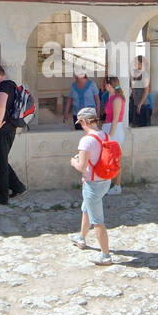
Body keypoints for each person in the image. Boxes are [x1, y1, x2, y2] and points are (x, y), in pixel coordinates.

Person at [69, 106, 113, 265]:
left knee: (98, 221)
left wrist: (73, 162)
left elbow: (81, 166)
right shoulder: (105, 135)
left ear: (83, 122)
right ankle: (81, 238)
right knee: (86, 209)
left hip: (92, 184)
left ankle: (105, 256)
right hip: (105, 181)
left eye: (80, 123)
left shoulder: (86, 140)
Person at [0, 63, 26, 205]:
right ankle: (18, 187)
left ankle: (1, 196)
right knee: (0, 161)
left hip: (0, 131)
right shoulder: (11, 86)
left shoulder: (3, 86)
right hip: (7, 129)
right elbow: (1, 105)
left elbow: (1, 105)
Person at [101, 76, 127, 195]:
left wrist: (109, 137)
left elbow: (115, 120)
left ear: (109, 85)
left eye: (105, 84)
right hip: (109, 129)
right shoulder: (111, 97)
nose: (103, 86)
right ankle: (110, 184)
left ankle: (117, 186)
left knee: (115, 160)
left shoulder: (117, 99)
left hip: (114, 131)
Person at [130, 55, 152, 127]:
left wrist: (140, 104)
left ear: (141, 64)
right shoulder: (135, 74)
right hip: (136, 103)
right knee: (135, 126)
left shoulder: (144, 75)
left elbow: (146, 91)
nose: (135, 65)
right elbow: (132, 88)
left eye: (136, 63)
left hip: (143, 105)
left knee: (143, 127)